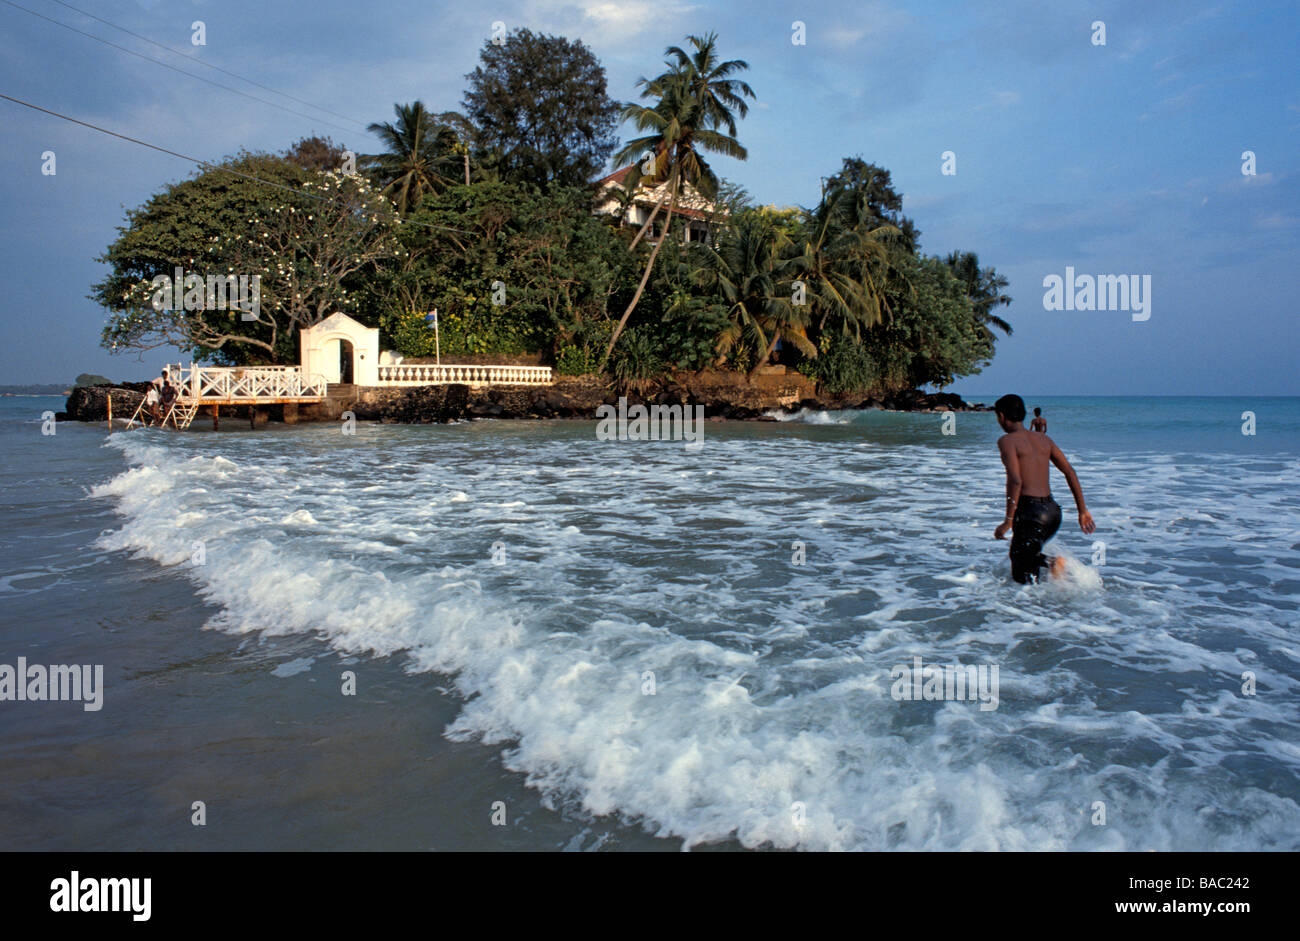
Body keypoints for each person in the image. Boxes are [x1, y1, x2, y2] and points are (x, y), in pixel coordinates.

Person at [992, 394, 1094, 583]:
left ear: (1001, 416)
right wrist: (1083, 510)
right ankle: (1053, 600)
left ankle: (1053, 563)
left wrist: (1008, 521)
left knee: (1021, 572)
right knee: (1028, 563)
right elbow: (1070, 471)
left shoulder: (1007, 441)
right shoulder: (1044, 439)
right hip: (1052, 513)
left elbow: (1015, 480)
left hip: (1031, 513)